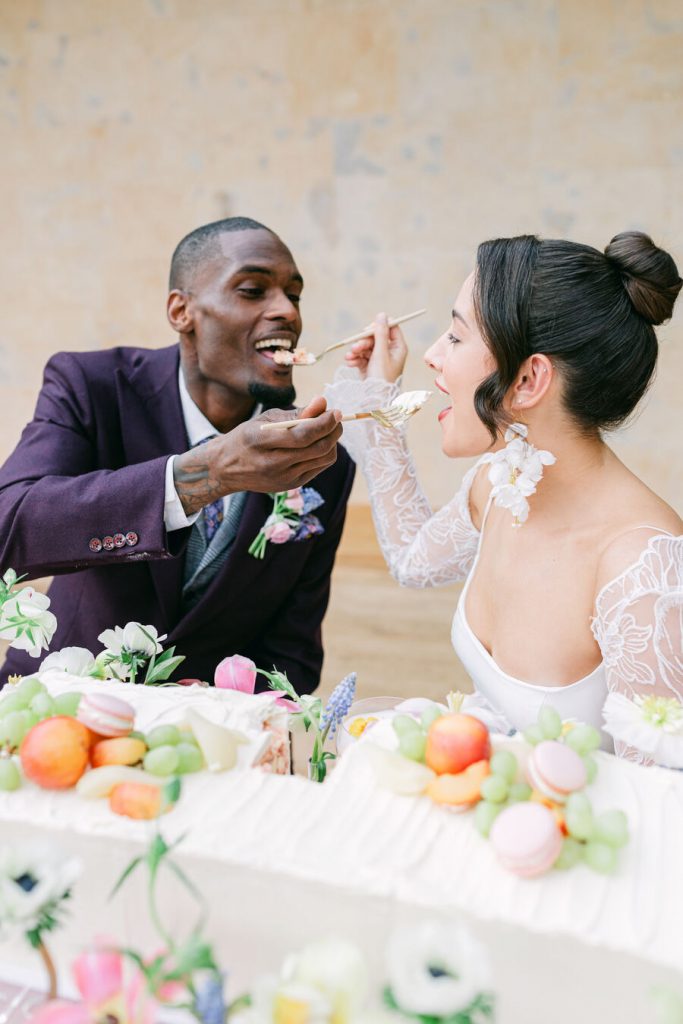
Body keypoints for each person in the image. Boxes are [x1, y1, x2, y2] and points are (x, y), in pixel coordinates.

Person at [326, 231, 682, 759]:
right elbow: (412, 560)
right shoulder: (499, 484)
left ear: (529, 378)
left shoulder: (644, 573)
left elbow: (656, 806)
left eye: (454, 336)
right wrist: (380, 404)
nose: (431, 356)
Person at [0, 217, 354, 691]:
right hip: (57, 709)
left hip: (210, 744)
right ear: (181, 311)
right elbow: (10, 527)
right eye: (253, 289)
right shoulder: (92, 387)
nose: (287, 311)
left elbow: (293, 657)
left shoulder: (319, 462)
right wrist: (207, 473)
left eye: (294, 294)